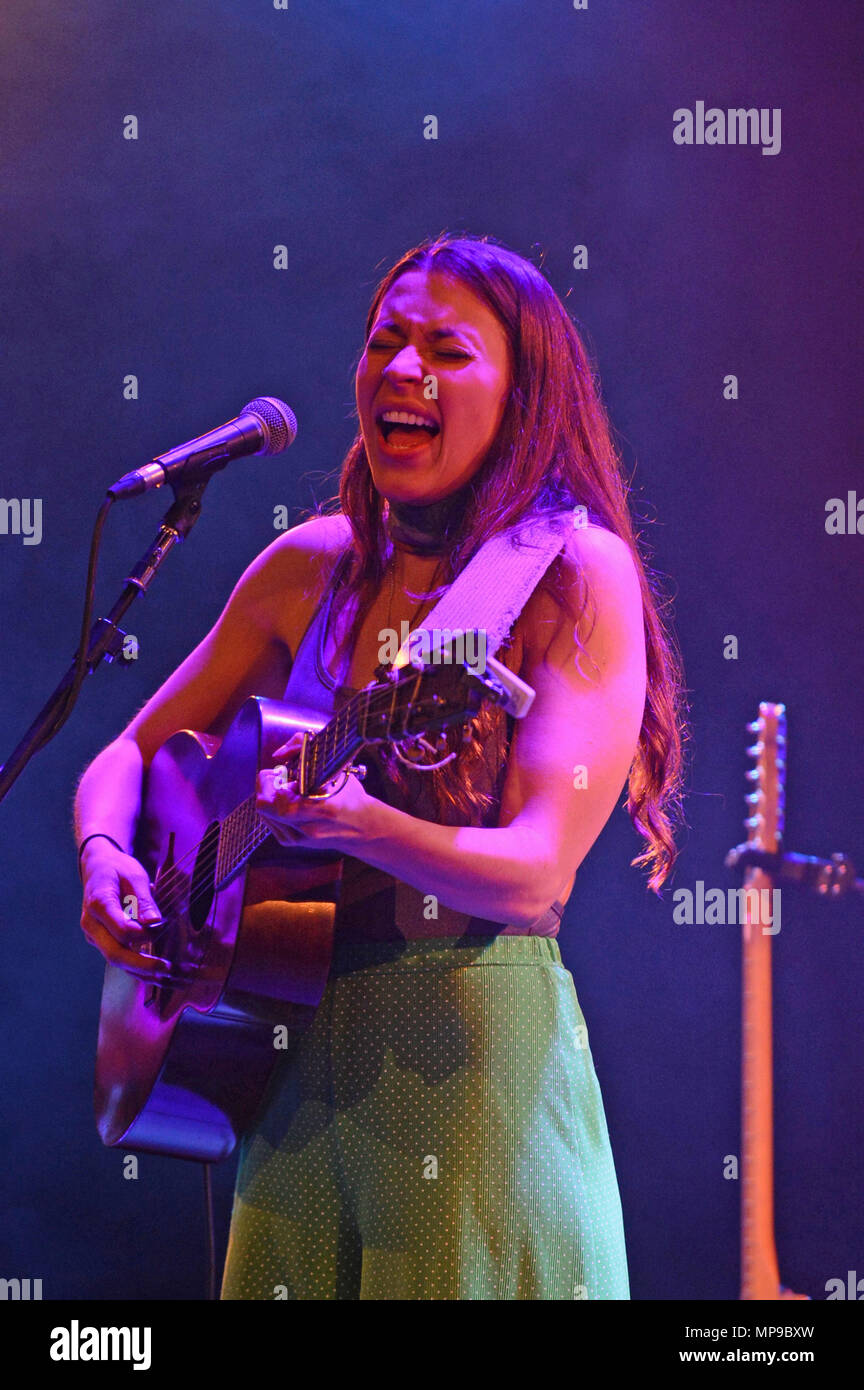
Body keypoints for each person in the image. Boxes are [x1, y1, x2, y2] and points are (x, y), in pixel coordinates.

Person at [75, 233, 685, 1301]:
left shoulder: (571, 571)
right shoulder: (313, 566)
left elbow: (539, 869)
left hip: (471, 1056)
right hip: (288, 1070)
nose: (405, 370)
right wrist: (102, 859)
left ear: (525, 393)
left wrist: (367, 827)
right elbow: (124, 753)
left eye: (447, 351)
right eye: (386, 342)